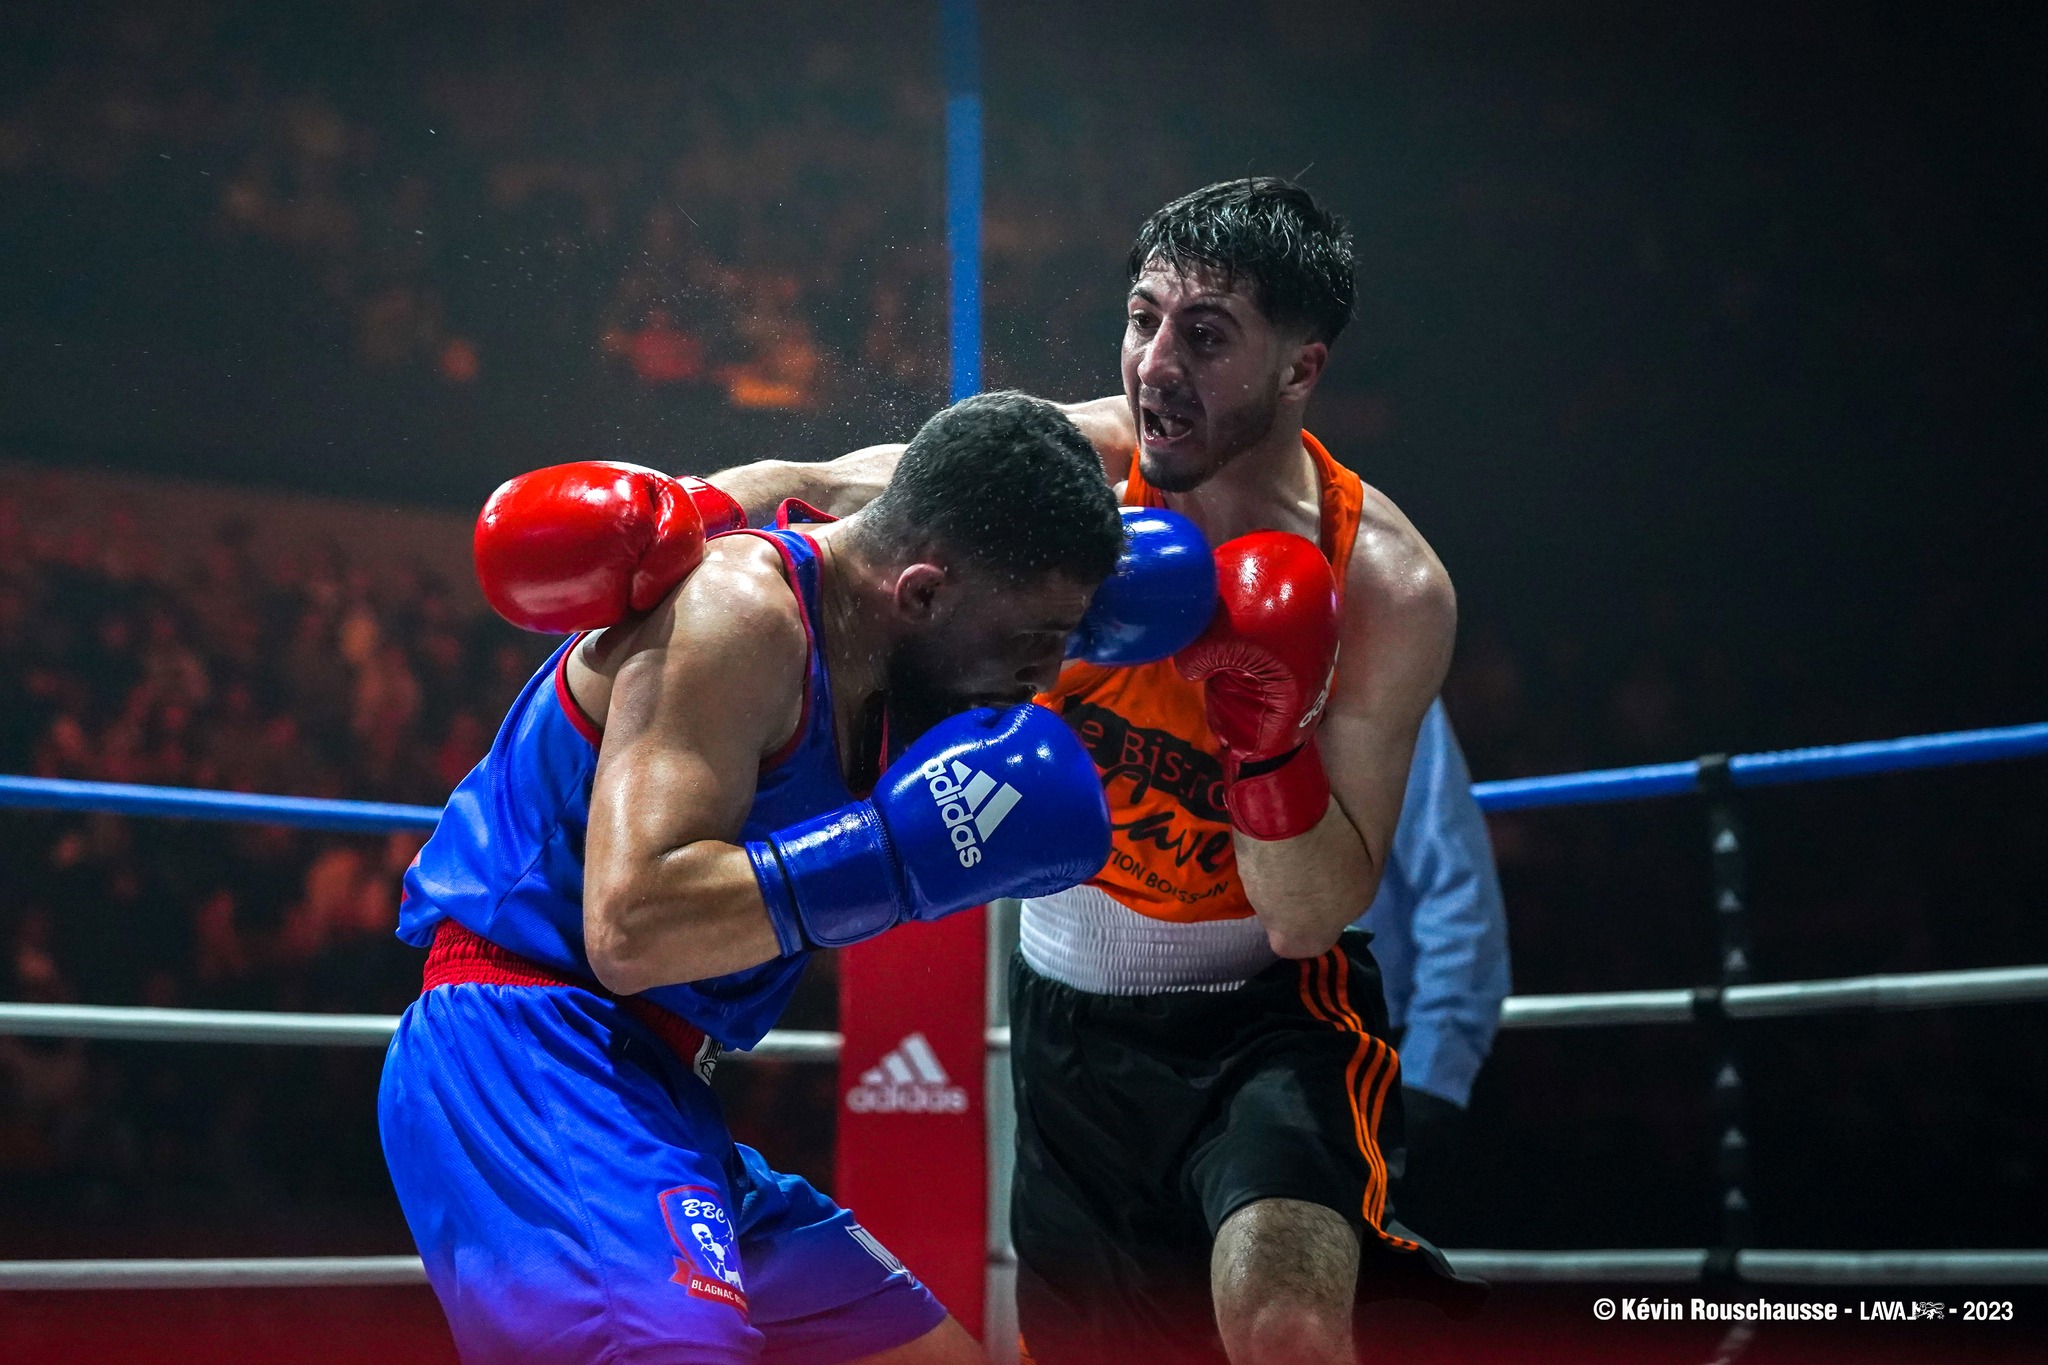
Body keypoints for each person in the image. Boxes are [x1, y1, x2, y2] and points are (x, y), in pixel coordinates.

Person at [713, 177, 1482, 1365]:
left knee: (1280, 1326)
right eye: (1141, 317)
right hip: (1065, 1020)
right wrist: (675, 512)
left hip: (1271, 1025)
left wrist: (1263, 737)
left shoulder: (1385, 584)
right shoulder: (1073, 470)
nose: (1155, 362)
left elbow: (1313, 910)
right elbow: (841, 484)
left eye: (1206, 334)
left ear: (1299, 370)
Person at [379, 393, 1168, 1365]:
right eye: (1031, 642)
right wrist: (891, 856)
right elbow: (631, 928)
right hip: (529, 1049)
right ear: (919, 595)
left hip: (659, 1089)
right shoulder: (736, 615)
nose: (1043, 680)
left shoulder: (895, 585)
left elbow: (1066, 432)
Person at [1358, 698, 1511, 1238]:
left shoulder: (1368, 656)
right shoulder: (1132, 675)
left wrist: (1431, 1076)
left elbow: (1459, 890)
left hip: (1368, 1050)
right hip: (1197, 1048)